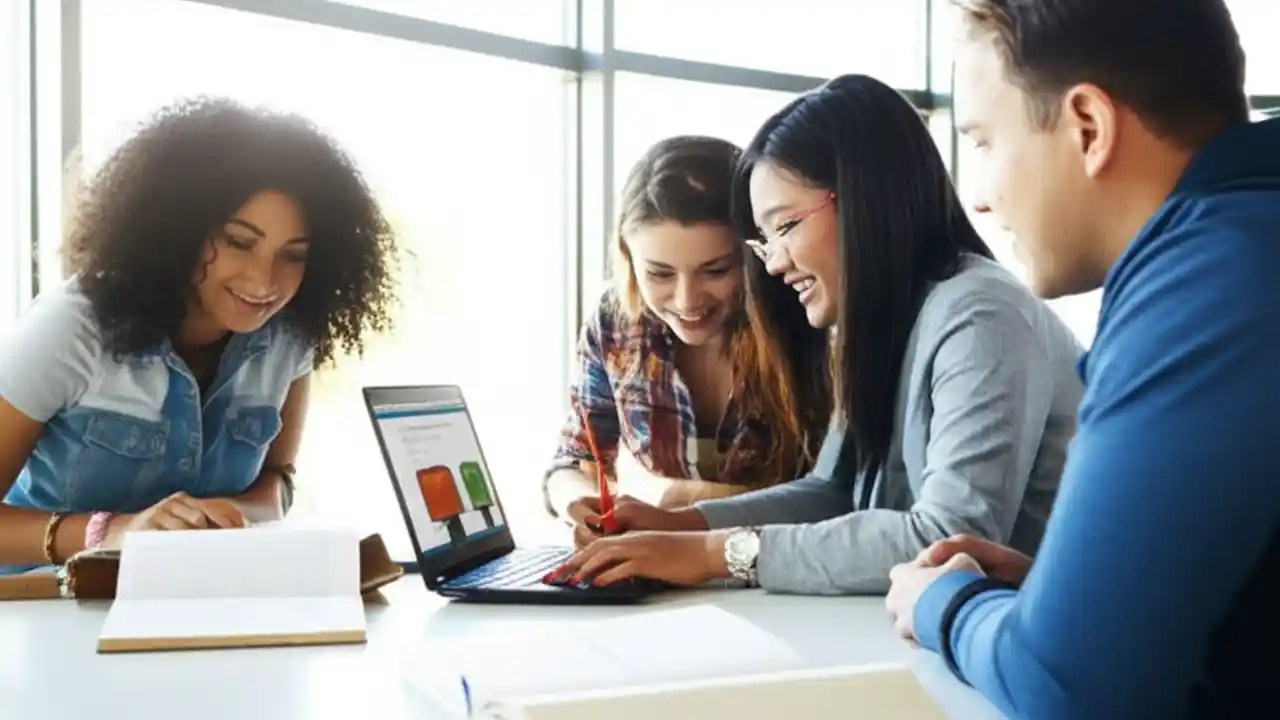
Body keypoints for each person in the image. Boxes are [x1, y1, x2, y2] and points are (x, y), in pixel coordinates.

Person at [883, 1, 1280, 717]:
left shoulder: (1211, 274)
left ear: (1088, 127)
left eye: (983, 143)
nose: (979, 198)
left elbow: (1071, 688)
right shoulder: (1248, 232)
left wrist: (947, 601)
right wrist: (1068, 592)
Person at [554, 74, 1083, 593]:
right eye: (764, 240)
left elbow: (949, 538)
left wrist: (712, 554)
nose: (774, 263)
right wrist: (684, 526)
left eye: (785, 226)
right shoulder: (882, 321)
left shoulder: (979, 315)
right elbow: (833, 492)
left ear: (863, 199)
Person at [0, 97, 398, 574]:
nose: (264, 281)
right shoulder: (71, 327)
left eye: (293, 255)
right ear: (177, 230)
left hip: (193, 602)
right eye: (239, 242)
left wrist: (231, 517)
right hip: (43, 604)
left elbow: (277, 480)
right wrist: (113, 532)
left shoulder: (290, 338)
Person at [544, 135, 831, 522]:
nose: (687, 301)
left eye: (716, 270)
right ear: (628, 260)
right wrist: (580, 505)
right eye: (659, 274)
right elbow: (573, 460)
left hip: (783, 557)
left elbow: (839, 496)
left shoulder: (809, 318)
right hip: (663, 556)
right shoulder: (616, 325)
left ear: (754, 252)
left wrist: (678, 498)